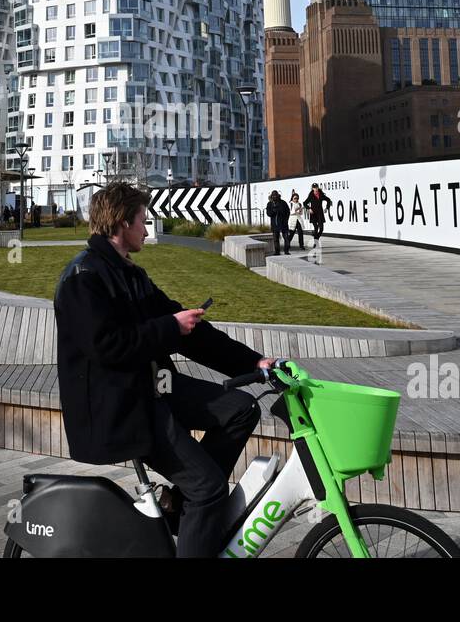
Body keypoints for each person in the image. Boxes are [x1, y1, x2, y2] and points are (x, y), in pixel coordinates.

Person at [54, 182, 277, 558]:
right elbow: (109, 346)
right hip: (121, 406)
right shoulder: (83, 277)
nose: (147, 227)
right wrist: (170, 327)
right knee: (208, 488)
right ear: (122, 222)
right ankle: (197, 502)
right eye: (143, 219)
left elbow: (190, 335)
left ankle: (185, 506)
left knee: (241, 408)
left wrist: (254, 361)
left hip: (154, 390)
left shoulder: (131, 275)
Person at [265, 190, 291, 256]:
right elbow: (268, 213)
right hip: (275, 224)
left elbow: (287, 212)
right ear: (271, 196)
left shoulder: (283, 203)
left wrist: (286, 219)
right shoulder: (270, 204)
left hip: (283, 223)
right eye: (273, 195)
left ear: (278, 196)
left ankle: (286, 250)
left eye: (275, 195)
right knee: (276, 239)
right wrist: (273, 211)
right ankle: (277, 251)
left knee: (286, 238)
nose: (274, 197)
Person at [305, 182, 327, 249]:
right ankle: (316, 243)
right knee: (316, 228)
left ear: (318, 187)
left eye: (316, 187)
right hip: (313, 214)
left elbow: (328, 200)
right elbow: (305, 203)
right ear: (312, 188)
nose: (315, 189)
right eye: (314, 187)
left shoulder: (321, 194)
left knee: (321, 229)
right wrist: (309, 209)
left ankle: (315, 238)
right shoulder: (311, 195)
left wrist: (327, 208)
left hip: (320, 213)